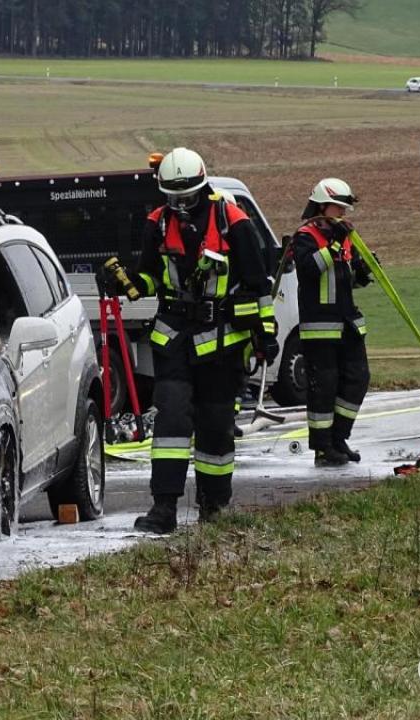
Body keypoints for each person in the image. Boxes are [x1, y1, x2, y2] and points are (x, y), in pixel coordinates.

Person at [101, 147, 278, 534]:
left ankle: (213, 508)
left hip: (222, 344)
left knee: (216, 426)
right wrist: (126, 282)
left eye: (187, 196)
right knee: (171, 422)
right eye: (173, 197)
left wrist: (265, 333)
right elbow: (149, 278)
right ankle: (163, 508)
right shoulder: (157, 224)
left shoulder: (234, 222)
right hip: (175, 340)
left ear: (202, 187)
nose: (181, 205)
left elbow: (257, 285)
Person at [291, 179, 372, 467]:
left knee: (358, 379)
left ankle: (339, 437)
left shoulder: (346, 236)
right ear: (321, 206)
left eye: (344, 208)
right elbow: (310, 269)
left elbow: (346, 280)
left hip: (347, 322)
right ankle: (323, 448)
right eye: (338, 207)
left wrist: (362, 270)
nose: (342, 213)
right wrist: (335, 243)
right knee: (323, 388)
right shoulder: (304, 236)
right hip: (320, 328)